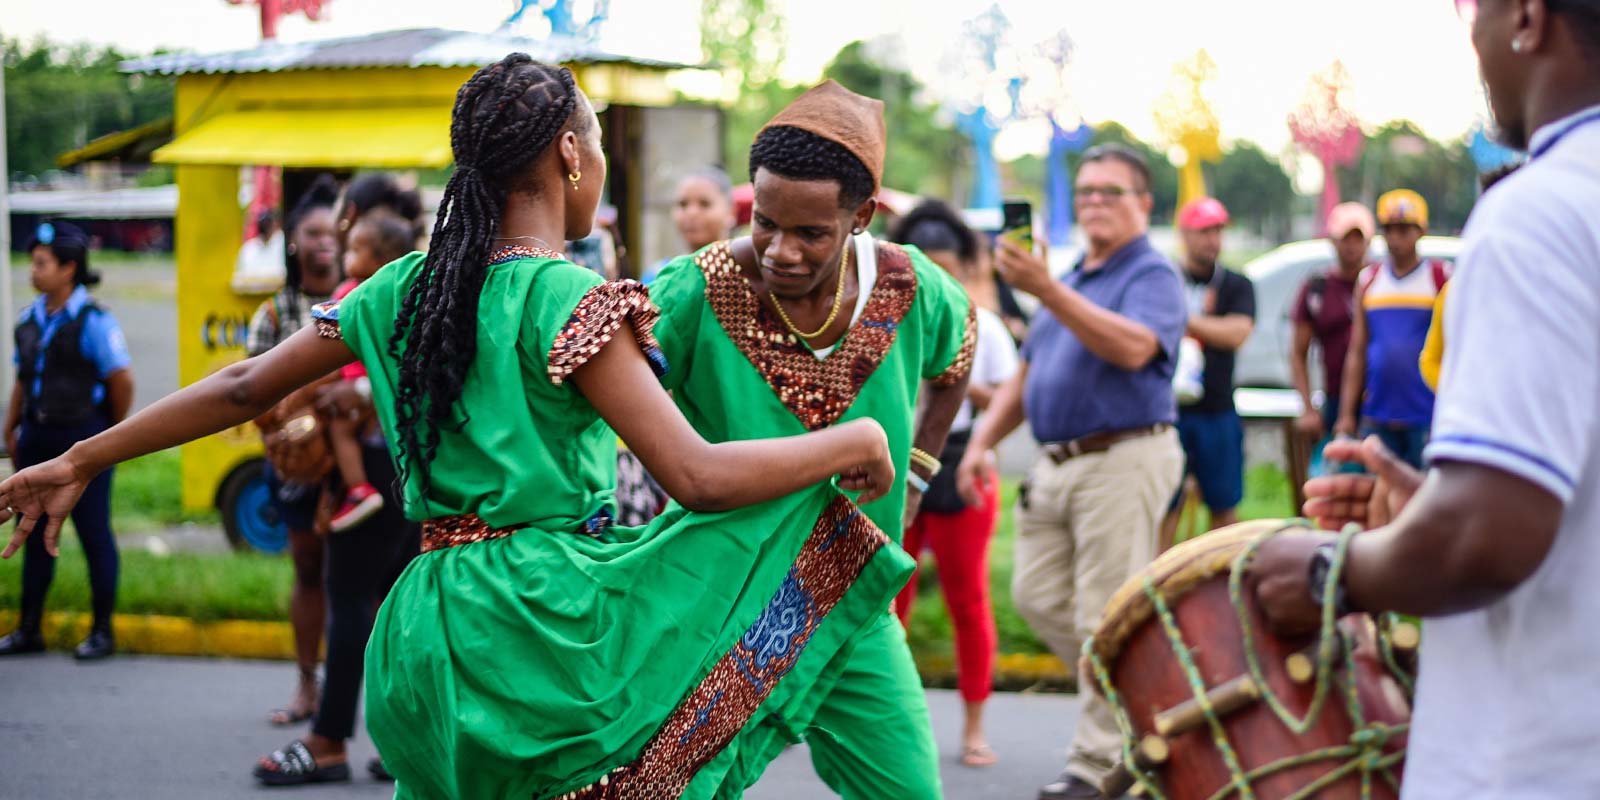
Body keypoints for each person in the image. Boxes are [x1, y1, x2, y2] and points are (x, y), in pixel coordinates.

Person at [0, 54, 912, 798]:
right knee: (790, 530)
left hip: (424, 621)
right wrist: (856, 443)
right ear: (567, 153)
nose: (600, 165)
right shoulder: (569, 300)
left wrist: (80, 457)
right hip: (542, 621)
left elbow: (242, 387)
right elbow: (698, 478)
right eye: (596, 142)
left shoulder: (403, 285)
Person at [1250, 1, 1600, 796]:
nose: (1471, 39)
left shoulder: (1540, 210)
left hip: (1542, 760)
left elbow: (1486, 537)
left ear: (1527, 18)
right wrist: (1430, 510)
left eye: (1471, 11)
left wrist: (1326, 571)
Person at [649, 80, 974, 798]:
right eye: (765, 222)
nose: (781, 251)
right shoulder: (692, 291)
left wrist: (919, 471)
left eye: (811, 234)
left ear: (861, 216)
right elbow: (609, 386)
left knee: (910, 790)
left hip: (856, 607)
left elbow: (959, 357)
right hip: (723, 613)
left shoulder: (911, 286)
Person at [956, 143, 1187, 800]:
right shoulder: (1075, 277)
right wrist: (981, 443)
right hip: (1057, 466)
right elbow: (1028, 372)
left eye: (1111, 191)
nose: (1094, 202)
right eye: (1085, 191)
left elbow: (1137, 347)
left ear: (1144, 203)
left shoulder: (1151, 273)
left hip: (1121, 455)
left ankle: (1095, 769)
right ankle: (1151, 698)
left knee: (1100, 611)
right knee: (1037, 597)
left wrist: (1045, 289)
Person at [888, 199, 1018, 770]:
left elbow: (1012, 398)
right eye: (924, 270)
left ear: (964, 269)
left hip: (961, 463)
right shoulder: (883, 323)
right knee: (887, 600)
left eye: (947, 270)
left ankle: (974, 727)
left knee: (969, 600)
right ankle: (887, 723)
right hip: (894, 466)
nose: (935, 282)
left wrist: (955, 377)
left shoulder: (982, 326)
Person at [0, 221, 133, 660]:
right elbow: (24, 377)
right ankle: (29, 629)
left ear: (68, 269)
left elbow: (121, 381)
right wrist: (12, 426)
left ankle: (101, 631)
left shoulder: (93, 320)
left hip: (83, 436)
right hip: (38, 435)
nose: (32, 271)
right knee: (33, 532)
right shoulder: (29, 320)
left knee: (94, 535)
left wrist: (108, 433)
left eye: (42, 263)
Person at [246, 175, 342, 727]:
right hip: (298, 468)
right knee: (308, 569)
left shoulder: (360, 298)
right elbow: (253, 400)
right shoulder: (276, 312)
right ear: (293, 240)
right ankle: (308, 686)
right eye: (312, 232)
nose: (323, 242)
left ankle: (365, 698)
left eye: (332, 231)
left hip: (358, 468)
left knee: (362, 582)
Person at [1335, 188, 1450, 469]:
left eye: (1404, 230)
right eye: (1389, 230)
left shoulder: (1439, 277)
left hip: (1426, 412)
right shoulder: (1369, 280)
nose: (1395, 238)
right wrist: (1346, 414)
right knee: (1379, 498)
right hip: (1379, 412)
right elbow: (1357, 350)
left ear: (1421, 231)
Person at [1163, 198, 1255, 546]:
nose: (1212, 239)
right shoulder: (1164, 278)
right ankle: (1159, 592)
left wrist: (1184, 320)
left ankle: (1221, 589)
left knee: (1224, 508)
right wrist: (1209, 326)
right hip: (1168, 413)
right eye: (1204, 231)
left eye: (1218, 231)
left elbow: (1237, 333)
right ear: (1184, 234)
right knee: (1165, 508)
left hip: (1217, 411)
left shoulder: (1235, 284)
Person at [324, 213, 414, 533]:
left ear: (380, 260)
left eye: (354, 250)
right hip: (381, 389)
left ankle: (359, 489)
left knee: (340, 429)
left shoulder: (352, 294)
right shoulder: (402, 296)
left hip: (359, 385)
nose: (345, 256)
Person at [1290, 202, 1376, 468]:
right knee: (1334, 479)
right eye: (1344, 239)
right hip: (1336, 399)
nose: (1351, 246)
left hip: (1379, 399)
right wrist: (1308, 407)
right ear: (1332, 241)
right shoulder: (1318, 289)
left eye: (1357, 238)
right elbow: (1297, 353)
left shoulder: (1381, 282)